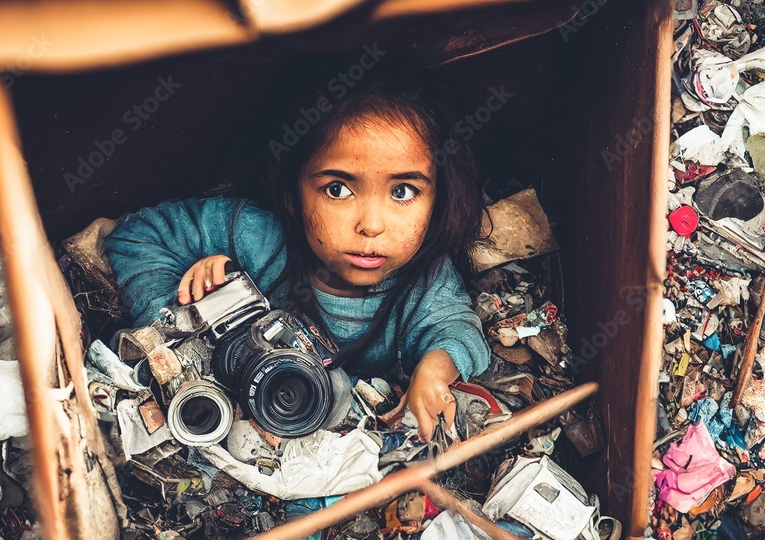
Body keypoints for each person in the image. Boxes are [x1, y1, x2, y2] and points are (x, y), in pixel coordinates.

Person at [104, 55, 489, 438]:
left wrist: (434, 370)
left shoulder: (426, 276)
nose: (371, 226)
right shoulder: (255, 236)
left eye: (403, 191)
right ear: (292, 193)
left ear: (438, 197)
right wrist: (181, 315)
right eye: (337, 190)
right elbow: (135, 234)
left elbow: (456, 327)